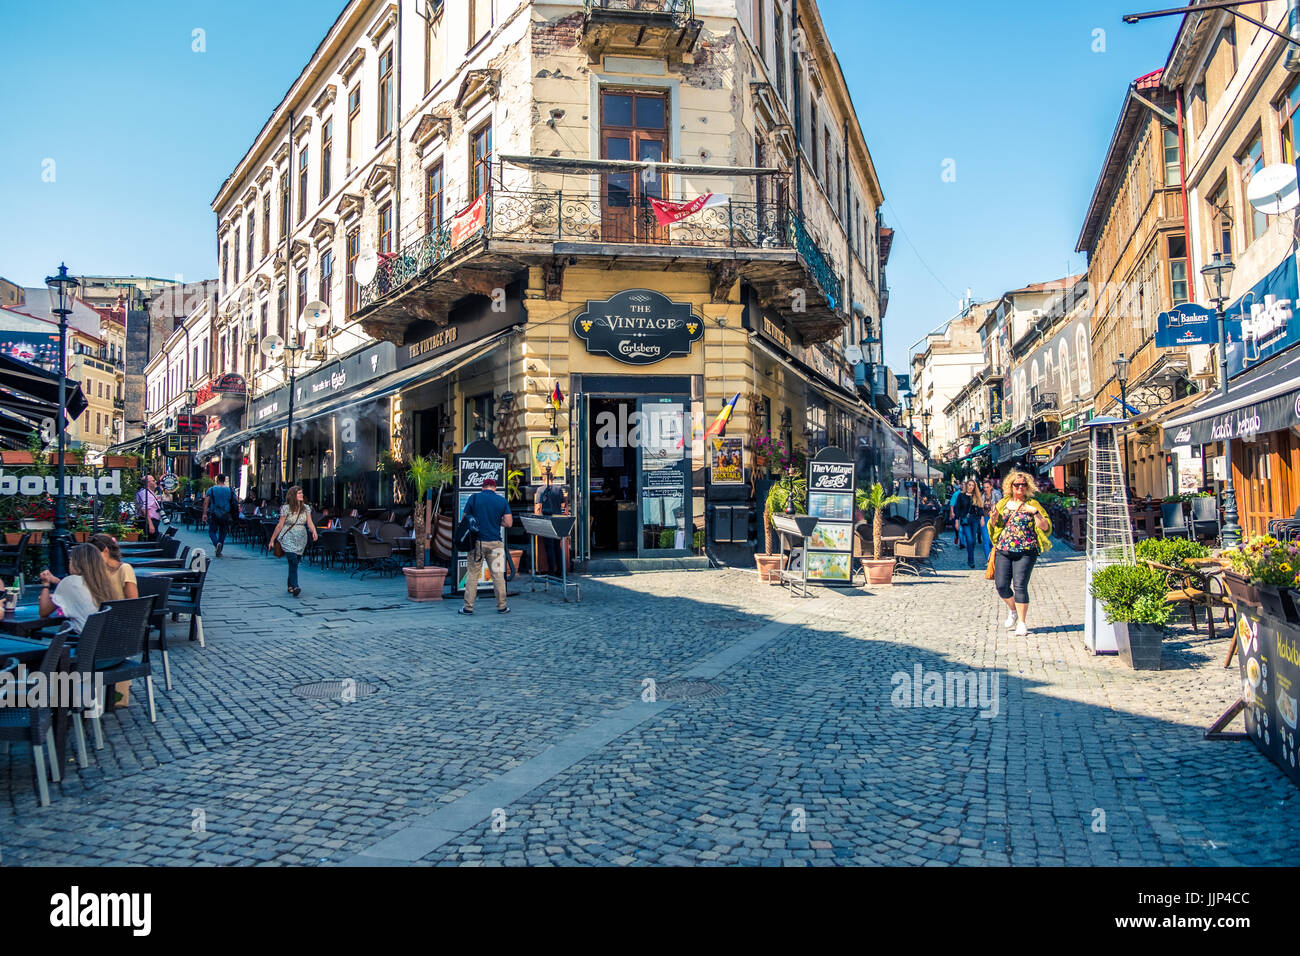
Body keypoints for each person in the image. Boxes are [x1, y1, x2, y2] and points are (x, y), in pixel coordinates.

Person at [988, 470, 1053, 636]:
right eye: (1017, 485)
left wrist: (1035, 513)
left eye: (1023, 485)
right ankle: (1013, 610)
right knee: (1001, 585)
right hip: (1004, 549)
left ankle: (1022, 623)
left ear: (1028, 486)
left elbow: (1045, 527)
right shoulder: (1003, 504)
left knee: (1020, 586)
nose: (1020, 488)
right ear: (1010, 486)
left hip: (1026, 550)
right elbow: (994, 526)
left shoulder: (1033, 504)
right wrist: (994, 517)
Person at [38, 542, 123, 633]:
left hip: (85, 640)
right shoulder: (103, 581)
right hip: (107, 638)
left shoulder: (70, 582)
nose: (69, 563)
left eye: (70, 560)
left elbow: (44, 611)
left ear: (77, 563)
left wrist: (45, 584)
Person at [459, 476, 513, 615]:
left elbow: (465, 519)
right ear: (495, 488)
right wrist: (497, 521)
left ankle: (468, 607)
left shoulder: (474, 498)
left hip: (477, 543)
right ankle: (502, 606)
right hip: (496, 544)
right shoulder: (501, 501)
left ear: (482, 487)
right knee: (498, 576)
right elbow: (509, 523)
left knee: (472, 574)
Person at [271, 485, 318, 598]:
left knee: (294, 562)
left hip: (301, 537)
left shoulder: (306, 508)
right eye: (299, 493)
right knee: (293, 561)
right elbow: (280, 525)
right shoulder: (286, 508)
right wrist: (272, 539)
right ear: (293, 495)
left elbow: (309, 522)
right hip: (288, 536)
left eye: (302, 493)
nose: (302, 495)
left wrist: (314, 531)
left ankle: (290, 584)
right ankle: (296, 586)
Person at [533, 468, 568, 576]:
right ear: (552, 478)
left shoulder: (540, 490)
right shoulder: (559, 489)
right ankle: (561, 571)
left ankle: (551, 571)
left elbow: (538, 506)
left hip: (546, 520)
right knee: (557, 546)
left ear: (543, 479)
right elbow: (563, 505)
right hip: (557, 519)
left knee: (549, 547)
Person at [90, 533, 139, 599]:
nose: (92, 557)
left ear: (105, 551)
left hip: (120, 608)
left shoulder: (124, 569)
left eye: (94, 554)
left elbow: (133, 600)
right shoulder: (97, 570)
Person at [202, 473, 237, 557]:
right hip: (226, 514)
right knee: (223, 532)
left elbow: (206, 502)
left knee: (211, 531)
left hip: (214, 513)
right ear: (224, 480)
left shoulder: (211, 489)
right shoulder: (230, 490)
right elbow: (236, 500)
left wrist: (204, 514)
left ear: (217, 480)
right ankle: (220, 547)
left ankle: (216, 543)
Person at [955, 479, 984, 569]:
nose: (970, 487)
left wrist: (982, 517)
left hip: (975, 519)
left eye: (972, 485)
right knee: (969, 540)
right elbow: (957, 508)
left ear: (974, 487)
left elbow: (980, 508)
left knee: (974, 541)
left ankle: (970, 554)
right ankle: (971, 560)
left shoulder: (976, 496)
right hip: (965, 520)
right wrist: (956, 520)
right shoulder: (961, 495)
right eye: (969, 485)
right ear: (966, 485)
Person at [135, 474, 163, 539]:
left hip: (149, 521)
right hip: (148, 522)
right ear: (148, 483)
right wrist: (150, 524)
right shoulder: (145, 493)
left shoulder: (145, 492)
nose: (155, 482)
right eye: (153, 481)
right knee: (152, 541)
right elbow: (144, 509)